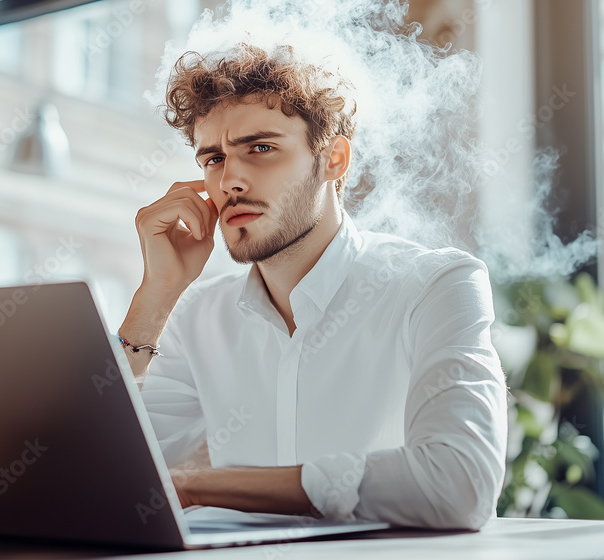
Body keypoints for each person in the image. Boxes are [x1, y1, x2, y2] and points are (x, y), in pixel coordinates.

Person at [116, 42, 507, 530]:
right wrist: (157, 294)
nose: (229, 180)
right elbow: (104, 482)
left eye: (260, 148)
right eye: (213, 159)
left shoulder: (434, 286)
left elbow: (459, 484)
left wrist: (197, 484)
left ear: (333, 159)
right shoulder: (196, 315)